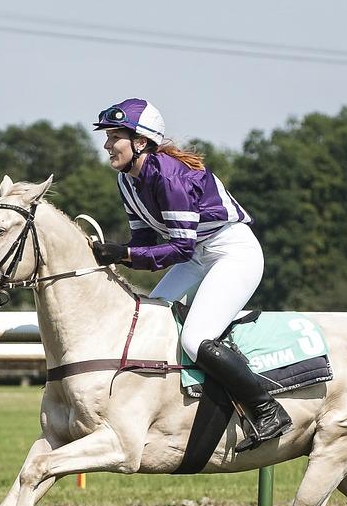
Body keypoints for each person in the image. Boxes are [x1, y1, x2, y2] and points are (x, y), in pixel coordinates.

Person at [90, 98, 291, 451]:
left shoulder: (169, 176)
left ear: (140, 142)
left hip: (232, 253)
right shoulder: (128, 180)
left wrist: (123, 254)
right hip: (198, 254)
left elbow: (178, 249)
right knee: (150, 320)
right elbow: (145, 241)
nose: (107, 145)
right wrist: (123, 252)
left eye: (114, 137)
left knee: (194, 339)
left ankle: (267, 411)